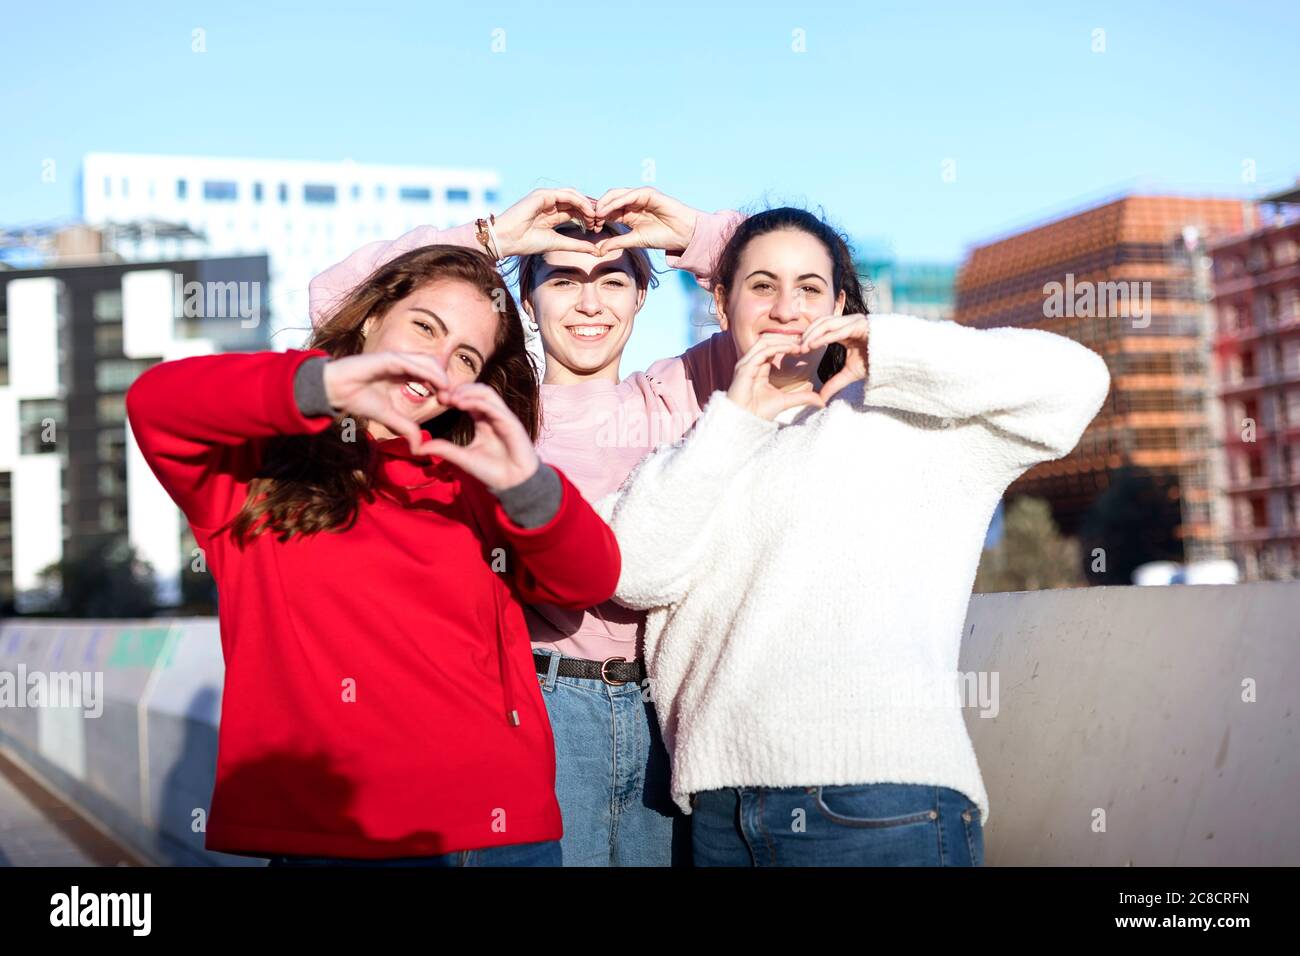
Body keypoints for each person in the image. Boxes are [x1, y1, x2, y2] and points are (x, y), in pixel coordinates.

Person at [596, 207, 1112, 866]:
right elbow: (628, 570)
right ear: (721, 303)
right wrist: (735, 421)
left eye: (809, 287)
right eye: (761, 285)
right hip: (721, 816)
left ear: (840, 304)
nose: (785, 306)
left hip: (877, 801)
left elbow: (1076, 383)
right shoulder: (702, 445)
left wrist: (889, 349)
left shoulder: (908, 417)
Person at [125, 244, 620, 866]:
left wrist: (529, 484)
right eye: (424, 326)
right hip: (334, 838)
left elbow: (590, 577)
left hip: (499, 839)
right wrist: (325, 384)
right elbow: (154, 403)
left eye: (465, 357)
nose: (437, 362)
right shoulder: (257, 468)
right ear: (370, 319)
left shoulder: (473, 480)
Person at [309, 187, 742, 866]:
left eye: (614, 280)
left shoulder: (685, 387)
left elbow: (799, 314)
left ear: (642, 296)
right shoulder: (493, 409)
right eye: (564, 279)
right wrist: (496, 237)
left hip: (672, 710)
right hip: (539, 701)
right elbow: (336, 301)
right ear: (530, 298)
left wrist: (694, 230)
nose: (590, 303)